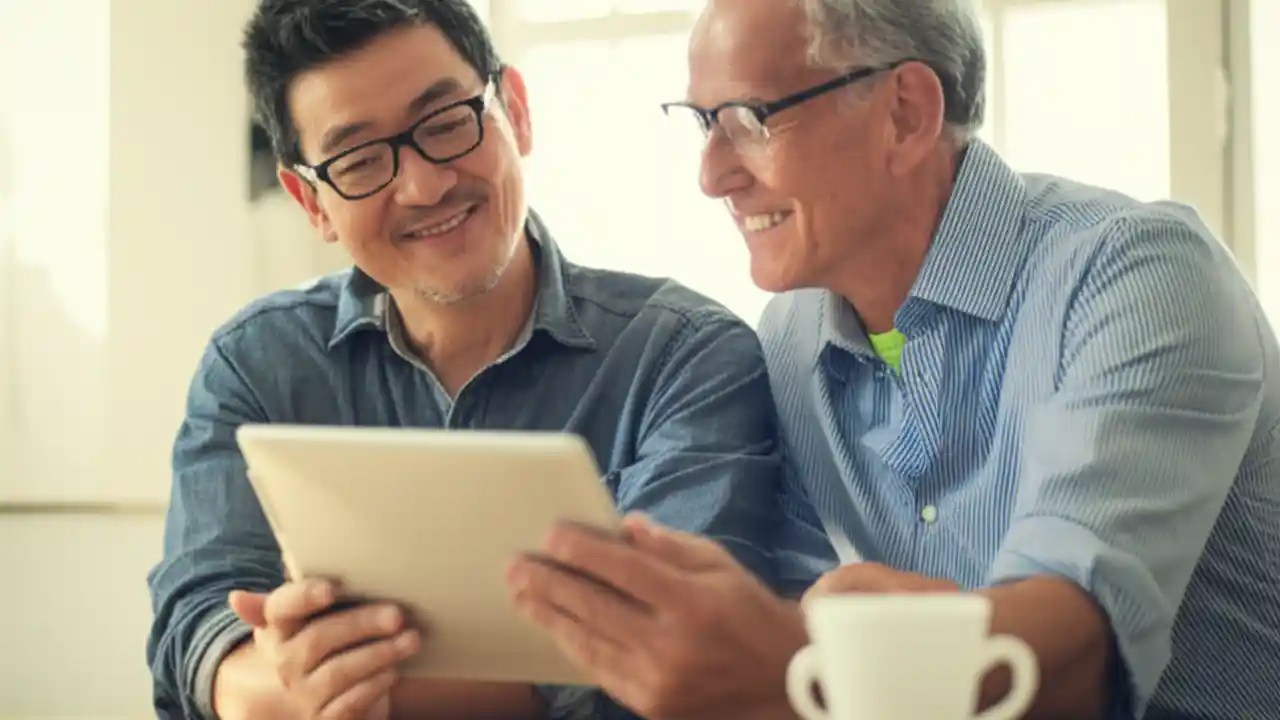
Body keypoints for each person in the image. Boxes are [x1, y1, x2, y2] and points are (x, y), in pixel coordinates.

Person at [506, 0, 1280, 718]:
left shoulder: (1140, 274)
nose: (712, 176)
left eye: (747, 118)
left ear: (905, 115)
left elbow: (1070, 664)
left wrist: (791, 656)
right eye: (703, 122)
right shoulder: (789, 339)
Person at [144, 1, 786, 718]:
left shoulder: (684, 356)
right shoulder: (257, 364)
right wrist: (279, 686)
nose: (424, 186)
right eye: (358, 161)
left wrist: (330, 693)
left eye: (447, 123)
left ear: (515, 108)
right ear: (311, 201)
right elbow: (198, 634)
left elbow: (683, 667)